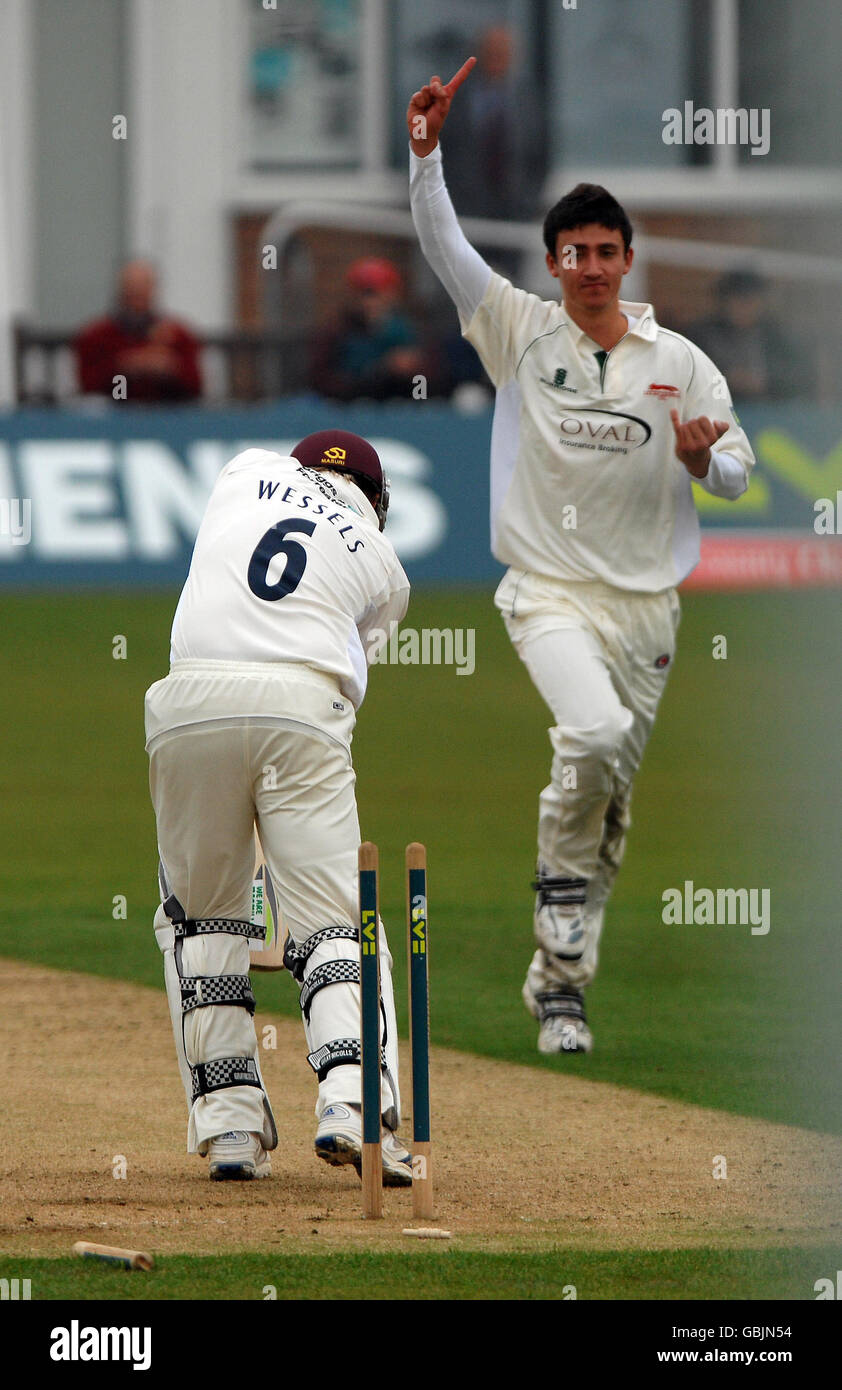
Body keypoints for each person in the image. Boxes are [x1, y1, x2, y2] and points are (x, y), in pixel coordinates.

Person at [406, 61, 755, 1054]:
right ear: (554, 262)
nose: (591, 267)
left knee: (611, 803)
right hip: (548, 591)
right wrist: (426, 158)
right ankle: (555, 903)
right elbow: (446, 251)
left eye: (605, 252)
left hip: (648, 607)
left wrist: (703, 464)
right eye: (574, 253)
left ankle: (558, 986)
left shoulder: (678, 361)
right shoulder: (518, 330)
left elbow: (734, 465)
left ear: (627, 259)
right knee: (591, 734)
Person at [144, 429, 412, 1182]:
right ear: (377, 499)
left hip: (187, 703)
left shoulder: (243, 469)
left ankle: (229, 1128)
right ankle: (351, 1105)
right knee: (335, 923)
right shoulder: (384, 565)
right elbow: (344, 662)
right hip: (301, 708)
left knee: (202, 924)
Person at [75, 260, 202, 403]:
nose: (137, 293)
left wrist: (169, 370)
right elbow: (89, 388)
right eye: (131, 287)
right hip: (115, 416)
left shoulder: (178, 335)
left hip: (166, 416)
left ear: (153, 289)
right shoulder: (98, 336)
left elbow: (195, 388)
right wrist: (122, 369)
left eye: (143, 287)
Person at [311, 256, 433, 401]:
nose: (370, 302)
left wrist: (414, 370)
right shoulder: (336, 332)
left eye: (378, 293)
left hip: (401, 410)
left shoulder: (408, 331)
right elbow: (322, 383)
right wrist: (380, 370)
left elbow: (429, 388)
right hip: (350, 411)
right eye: (365, 293)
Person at [689, 270, 809, 402]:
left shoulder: (776, 335)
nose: (744, 307)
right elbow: (691, 377)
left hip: (770, 410)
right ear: (725, 302)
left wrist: (765, 381)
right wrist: (726, 378)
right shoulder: (704, 335)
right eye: (737, 300)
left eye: (750, 301)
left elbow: (797, 376)